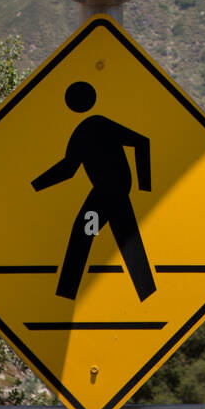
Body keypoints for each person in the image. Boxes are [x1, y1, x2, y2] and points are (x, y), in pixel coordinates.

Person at [31, 80, 155, 302]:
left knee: (83, 233)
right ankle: (147, 293)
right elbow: (69, 169)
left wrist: (144, 186)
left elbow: (141, 142)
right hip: (111, 190)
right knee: (126, 238)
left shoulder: (94, 125)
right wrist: (35, 186)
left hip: (110, 189)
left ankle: (65, 295)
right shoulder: (85, 129)